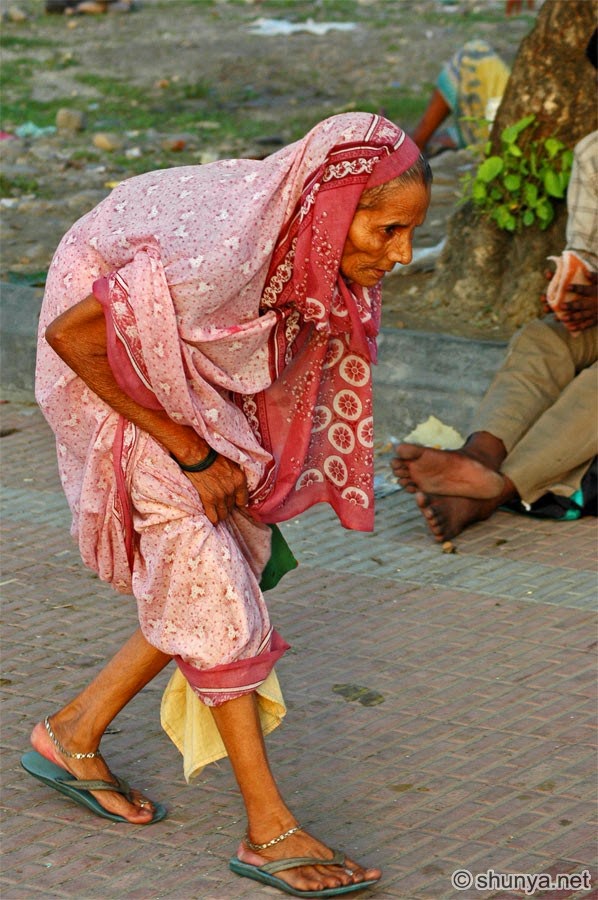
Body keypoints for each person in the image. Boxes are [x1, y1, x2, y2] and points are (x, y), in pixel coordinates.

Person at [24, 112, 431, 897]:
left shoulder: (298, 236)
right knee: (214, 586)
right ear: (335, 209)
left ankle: (71, 735)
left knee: (217, 556)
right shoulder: (215, 263)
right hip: (102, 367)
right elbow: (74, 341)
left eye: (410, 232)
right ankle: (270, 829)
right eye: (387, 230)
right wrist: (192, 451)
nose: (402, 254)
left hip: (168, 368)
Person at [391, 126, 597, 543]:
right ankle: (477, 457)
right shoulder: (594, 153)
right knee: (544, 340)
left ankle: (492, 490)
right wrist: (573, 288)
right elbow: (587, 255)